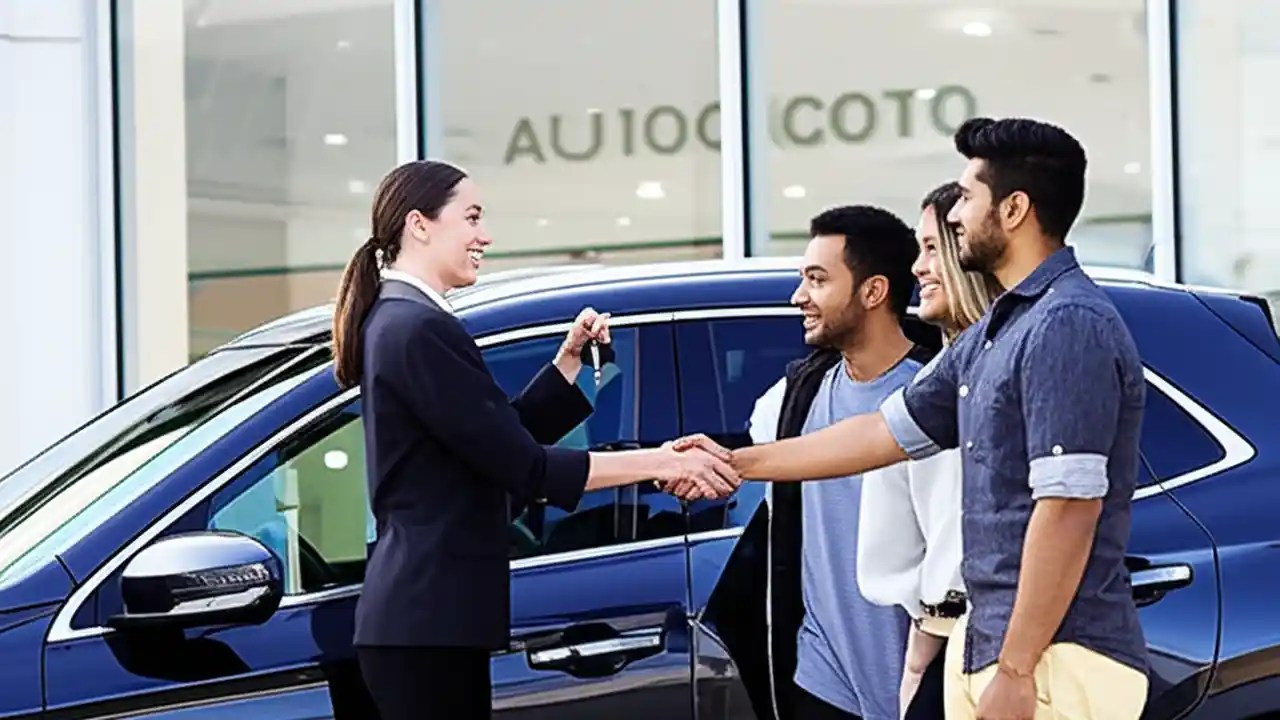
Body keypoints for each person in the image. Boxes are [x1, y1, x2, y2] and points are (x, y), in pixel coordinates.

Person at [671, 117, 1151, 720]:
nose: (954, 217)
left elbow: (1069, 509)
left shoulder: (1066, 324)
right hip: (995, 650)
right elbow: (881, 432)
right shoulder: (997, 334)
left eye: (969, 196)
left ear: (1015, 209)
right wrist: (731, 463)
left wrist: (1016, 667)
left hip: (1056, 659)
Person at [331, 159, 738, 719]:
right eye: (471, 217)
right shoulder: (417, 326)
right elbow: (527, 469)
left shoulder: (405, 320)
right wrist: (662, 460)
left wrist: (566, 364)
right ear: (419, 225)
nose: (485, 235)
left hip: (425, 622)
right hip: (429, 625)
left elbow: (494, 444)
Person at [739, 205, 931, 720]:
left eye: (817, 280)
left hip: (921, 684)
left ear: (873, 292)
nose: (799, 297)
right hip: (822, 683)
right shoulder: (796, 397)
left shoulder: (933, 399)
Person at [855, 181, 1002, 720]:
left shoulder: (976, 381)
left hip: (968, 651)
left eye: (934, 247)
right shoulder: (945, 382)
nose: (917, 267)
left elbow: (952, 549)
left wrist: (920, 661)